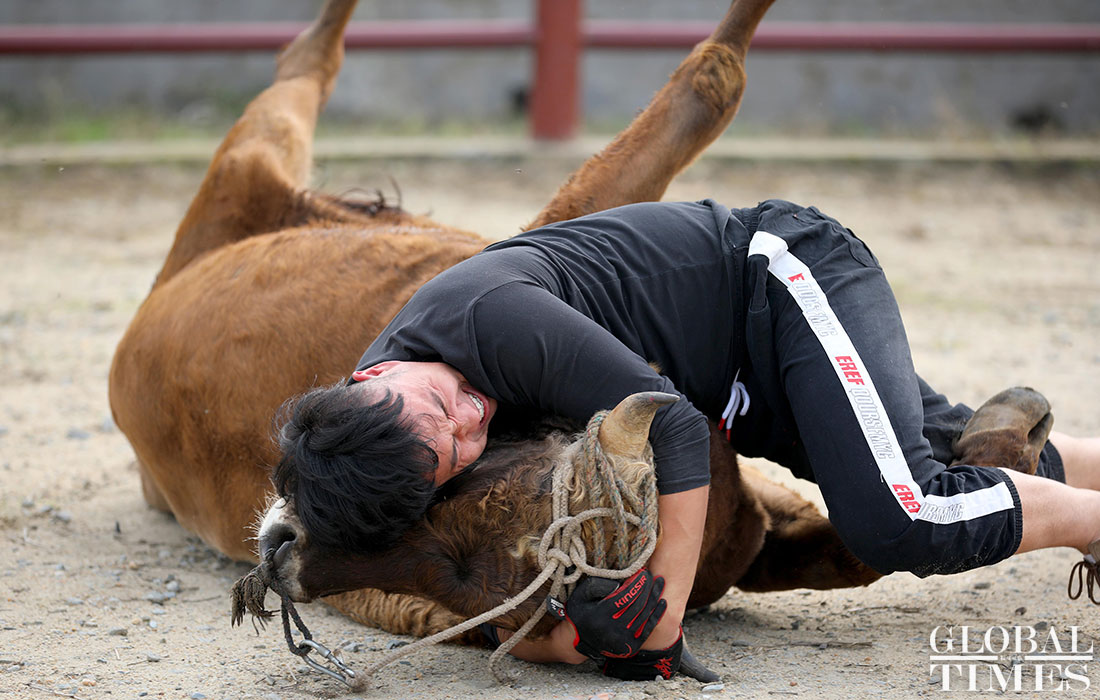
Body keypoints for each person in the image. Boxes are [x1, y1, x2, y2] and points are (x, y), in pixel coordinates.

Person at [274, 198, 1100, 675]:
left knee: (896, 519)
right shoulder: (386, 447)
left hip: (778, 283)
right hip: (740, 384)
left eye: (442, 410)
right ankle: (1035, 469)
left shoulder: (486, 319)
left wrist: (658, 620)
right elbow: (491, 576)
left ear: (372, 378)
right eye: (452, 453)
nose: (472, 423)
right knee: (936, 473)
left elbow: (667, 422)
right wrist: (576, 644)